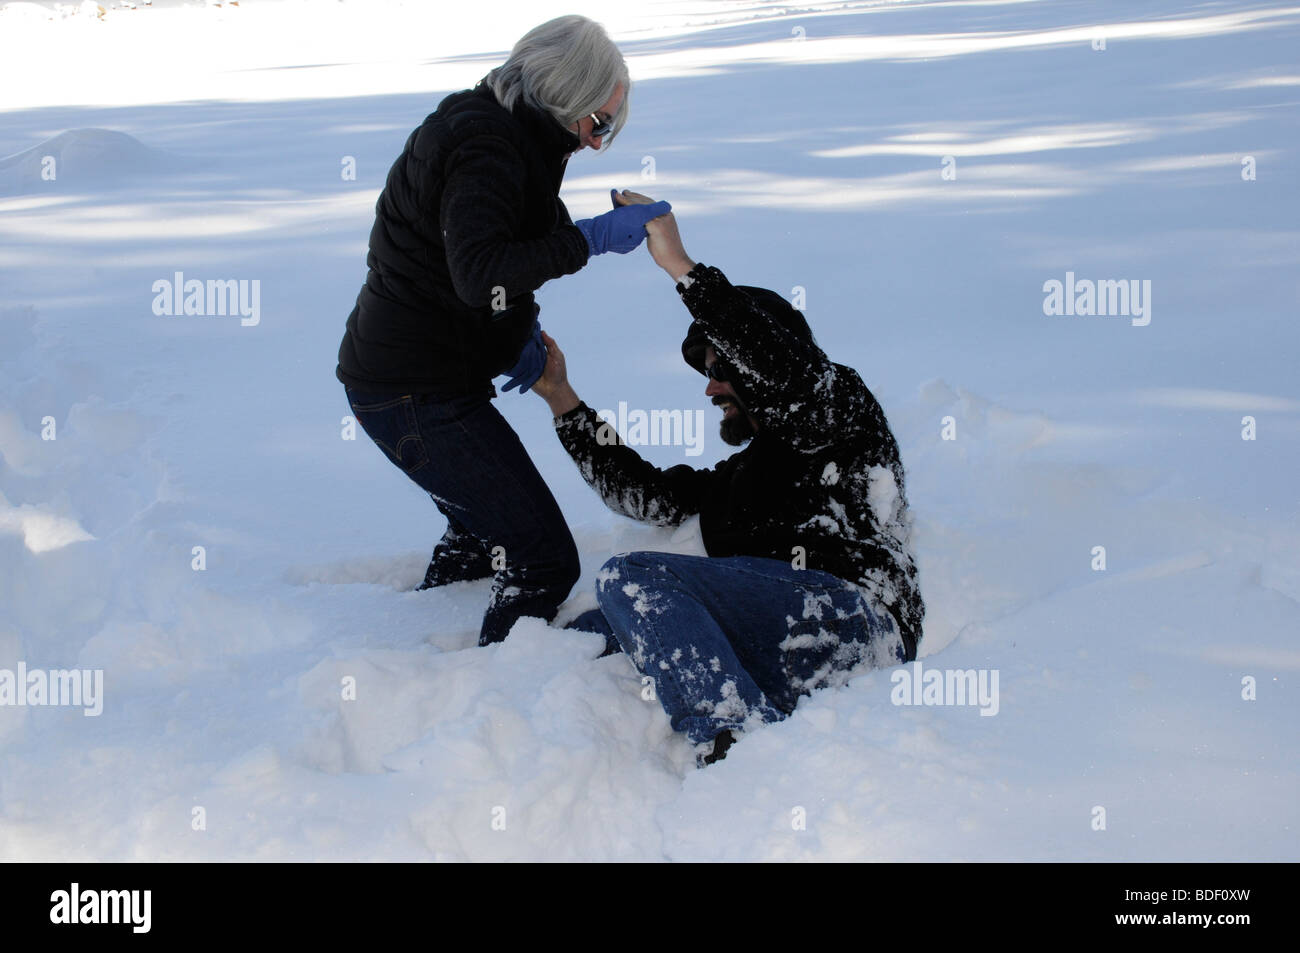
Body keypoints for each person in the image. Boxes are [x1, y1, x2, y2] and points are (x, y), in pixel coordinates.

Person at [531, 197, 924, 766]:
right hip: (778, 640)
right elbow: (650, 495)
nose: (710, 389)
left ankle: (732, 744)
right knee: (587, 628)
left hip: (857, 621)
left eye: (720, 371)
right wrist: (562, 398)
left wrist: (680, 266)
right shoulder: (742, 475)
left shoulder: (837, 411)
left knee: (634, 576)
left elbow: (784, 366)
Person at [335, 16, 669, 646]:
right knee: (543, 561)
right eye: (599, 123)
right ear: (563, 95)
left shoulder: (516, 133)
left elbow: (500, 247)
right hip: (409, 389)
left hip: (424, 373)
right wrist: (591, 239)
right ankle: (494, 704)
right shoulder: (485, 146)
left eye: (612, 128)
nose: (599, 143)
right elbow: (481, 270)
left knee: (483, 534)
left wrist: (517, 326)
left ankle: (417, 648)